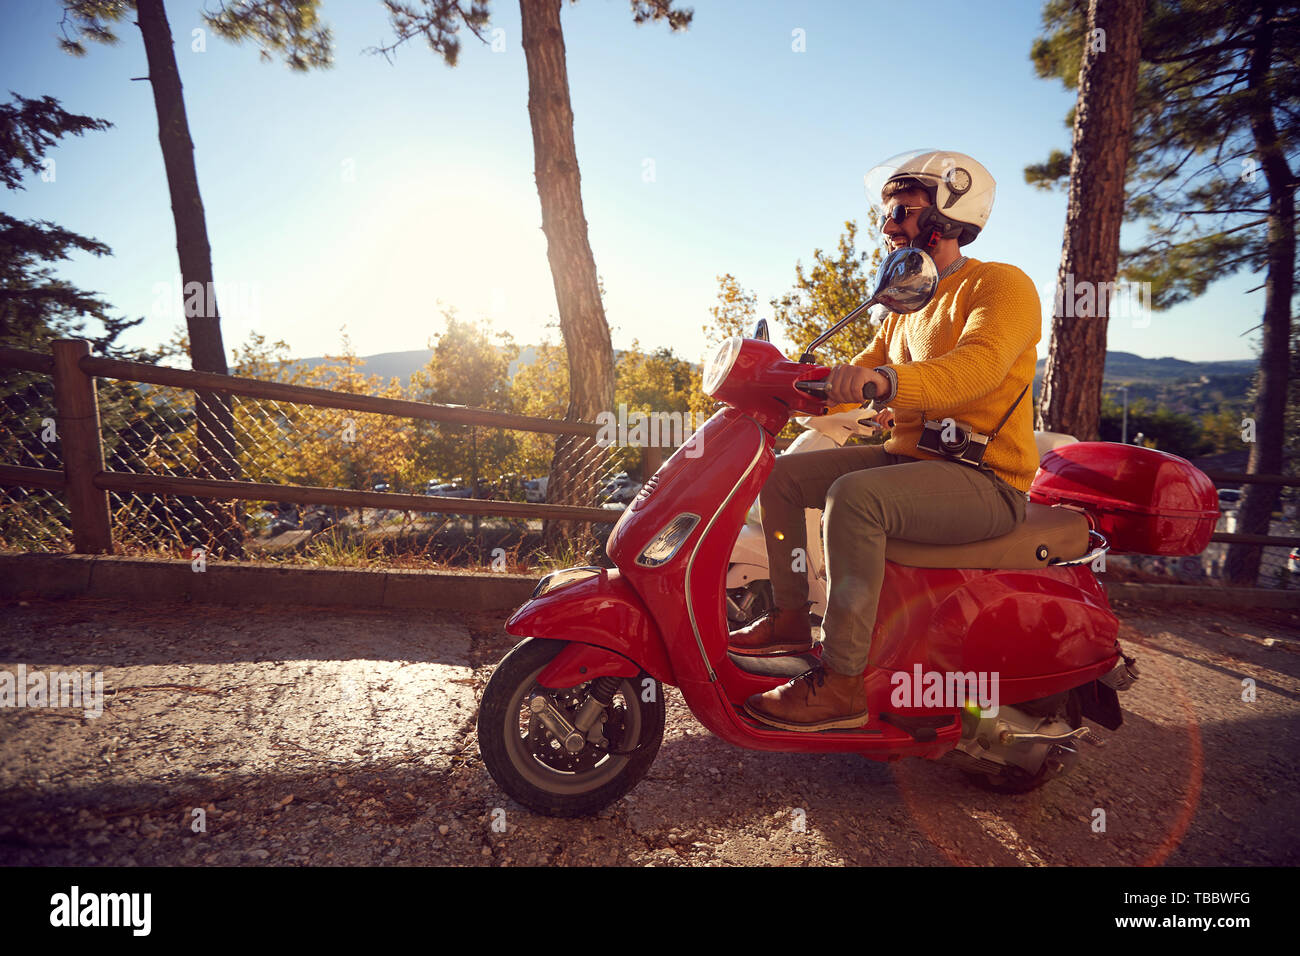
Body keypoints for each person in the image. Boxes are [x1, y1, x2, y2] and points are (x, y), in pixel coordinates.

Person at [731, 149, 1042, 732]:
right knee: (780, 476)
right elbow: (861, 371)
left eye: (901, 211)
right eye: (888, 213)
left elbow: (976, 368)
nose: (887, 225)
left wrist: (886, 382)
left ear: (946, 218)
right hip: (915, 460)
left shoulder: (1001, 285)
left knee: (854, 496)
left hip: (986, 479)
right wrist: (800, 383)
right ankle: (792, 617)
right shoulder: (904, 305)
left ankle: (843, 682)